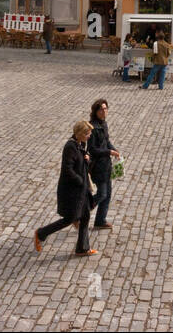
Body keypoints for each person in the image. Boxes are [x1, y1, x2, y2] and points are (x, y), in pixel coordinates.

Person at [34, 120, 97, 257]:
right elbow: (68, 170)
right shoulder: (70, 147)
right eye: (87, 133)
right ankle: (41, 233)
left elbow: (83, 164)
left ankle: (82, 248)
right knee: (70, 219)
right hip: (72, 191)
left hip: (82, 189)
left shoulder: (81, 144)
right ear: (80, 133)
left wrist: (87, 159)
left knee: (85, 215)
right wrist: (81, 181)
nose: (89, 136)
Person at [87, 99, 120, 229]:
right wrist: (109, 152)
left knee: (108, 194)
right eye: (101, 109)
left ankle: (100, 221)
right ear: (96, 111)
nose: (104, 112)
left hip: (106, 165)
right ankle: (81, 213)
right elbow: (93, 149)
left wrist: (114, 149)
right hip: (97, 166)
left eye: (106, 109)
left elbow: (106, 141)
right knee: (102, 194)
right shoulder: (93, 127)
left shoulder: (103, 124)